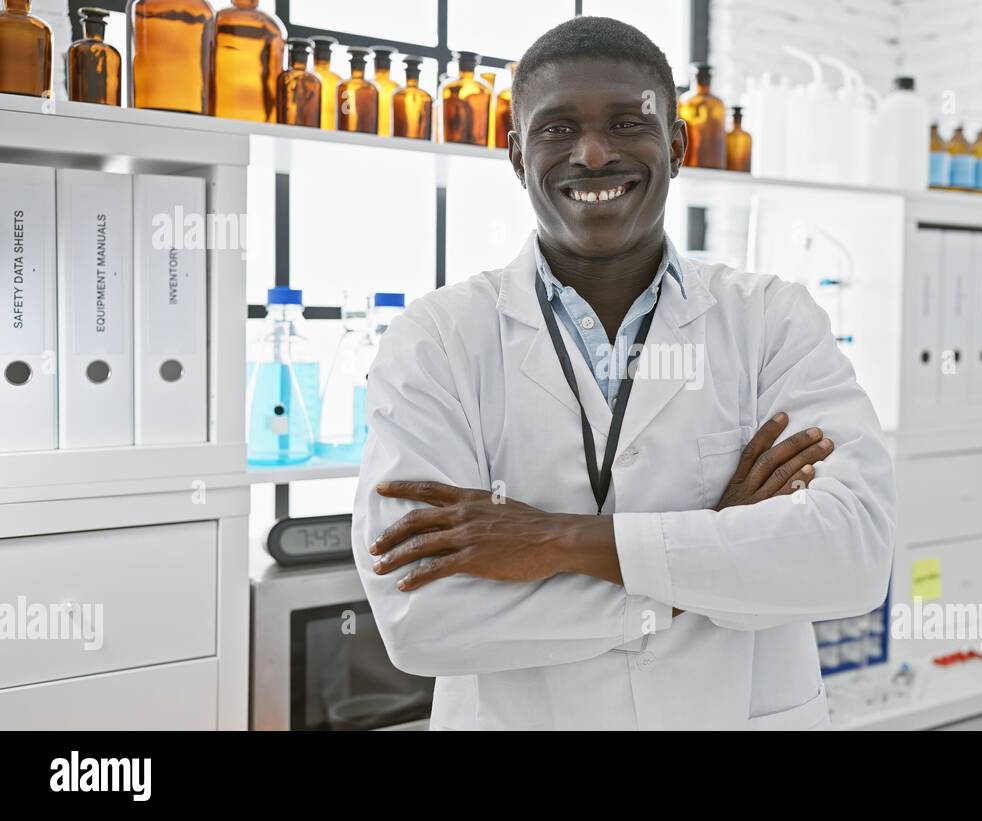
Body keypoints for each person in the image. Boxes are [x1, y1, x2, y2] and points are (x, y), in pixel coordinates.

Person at [352, 16, 896, 730]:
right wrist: (709, 549)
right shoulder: (438, 340)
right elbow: (423, 616)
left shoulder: (772, 321)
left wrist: (554, 541)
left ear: (676, 146)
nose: (594, 152)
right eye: (555, 129)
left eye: (624, 122)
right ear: (517, 156)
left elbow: (849, 556)